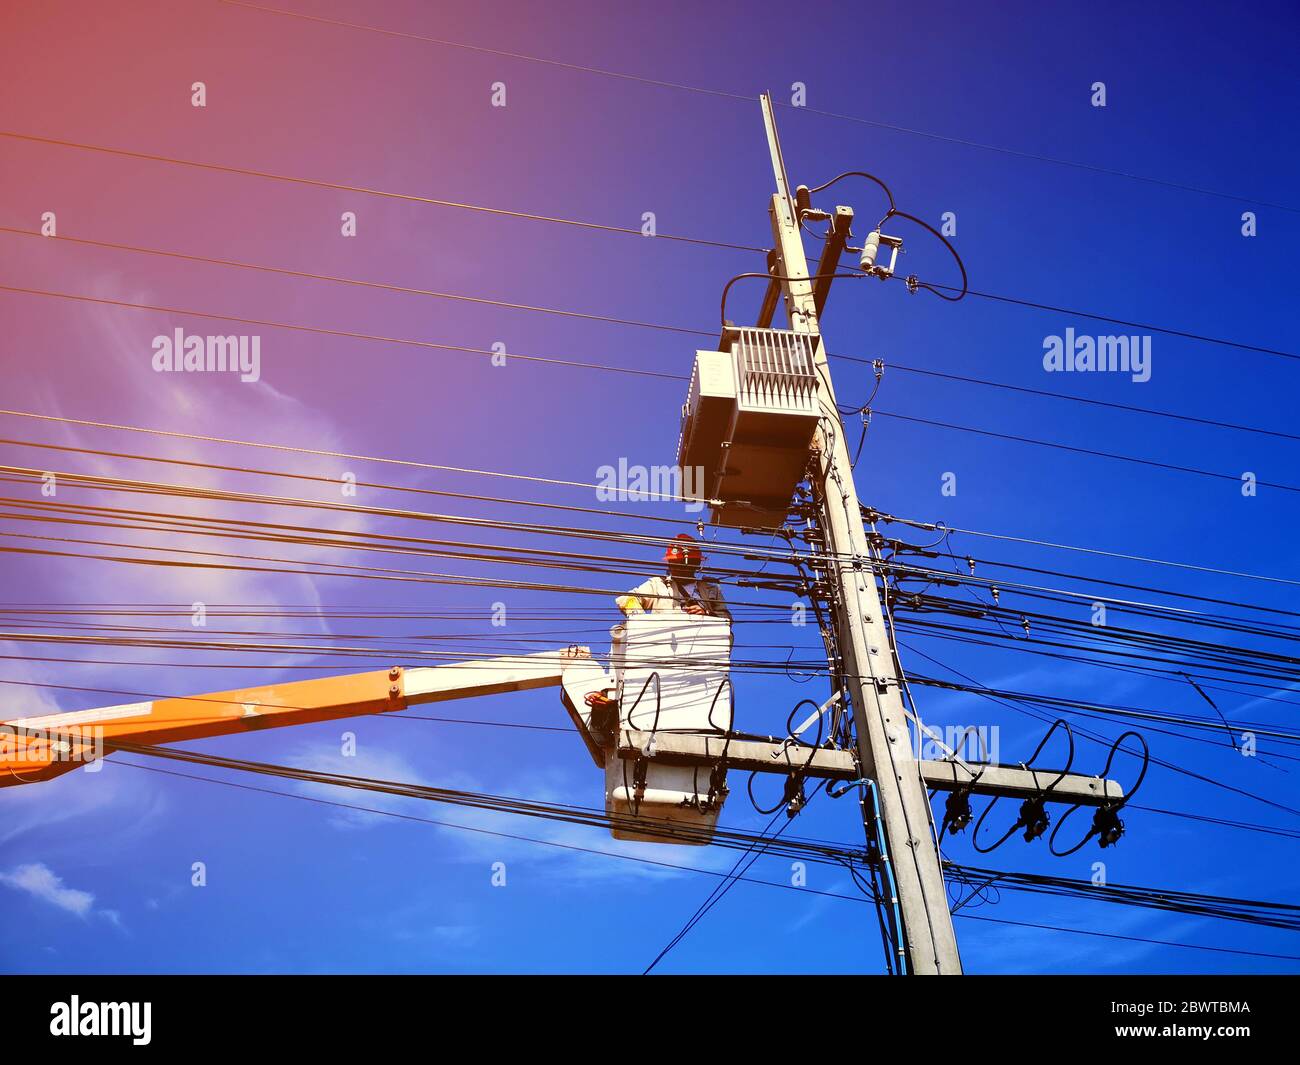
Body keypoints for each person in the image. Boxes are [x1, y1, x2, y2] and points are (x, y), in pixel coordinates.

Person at [584, 534, 729, 711]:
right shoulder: (658, 585)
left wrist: (707, 613)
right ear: (669, 565)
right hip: (663, 648)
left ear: (696, 564)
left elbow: (726, 620)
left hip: (701, 653)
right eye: (676, 565)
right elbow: (627, 599)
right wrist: (643, 622)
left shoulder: (710, 590)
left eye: (686, 565)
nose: (681, 569)